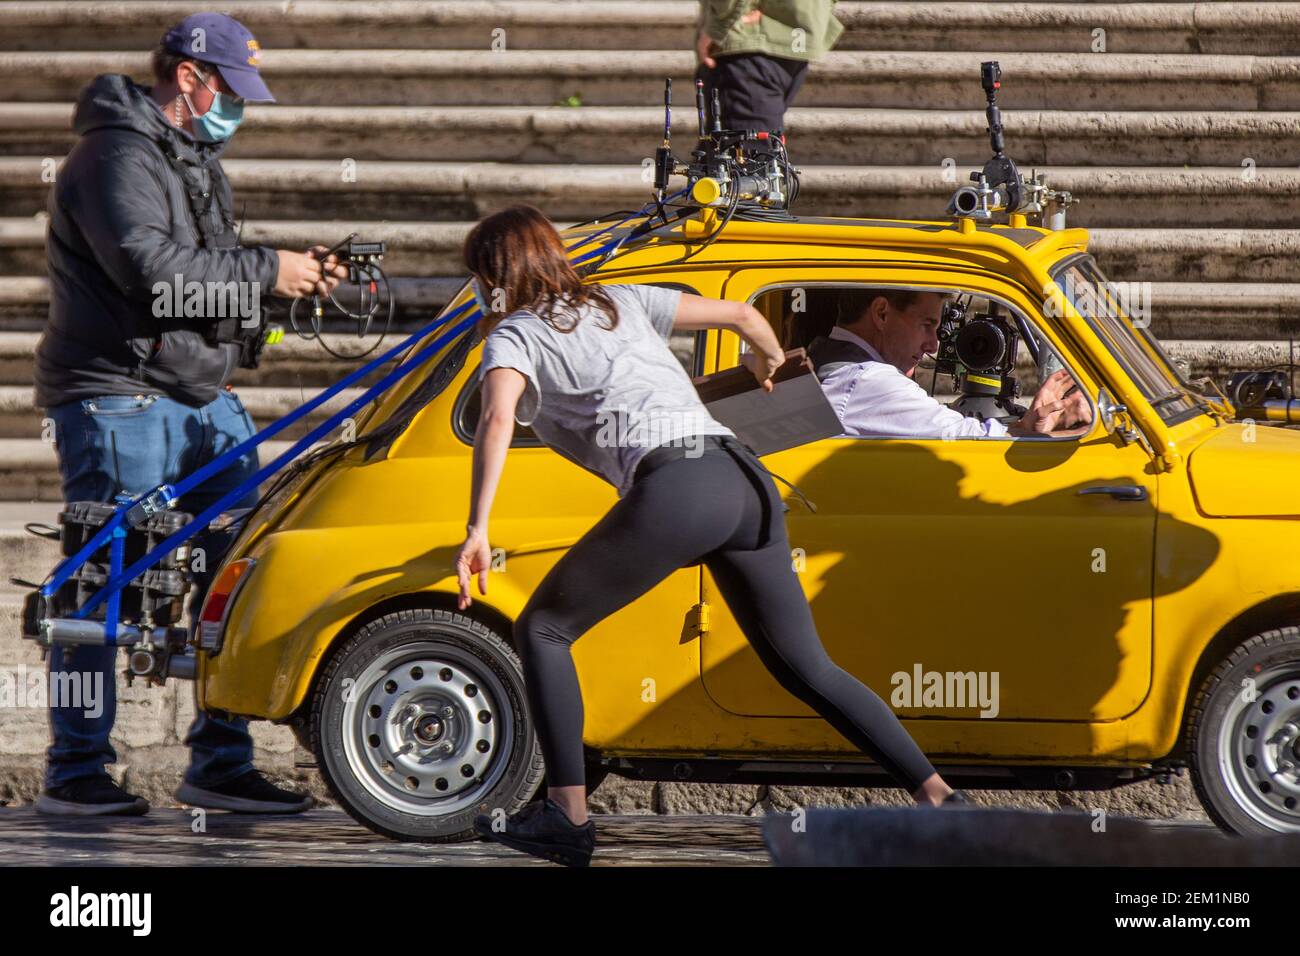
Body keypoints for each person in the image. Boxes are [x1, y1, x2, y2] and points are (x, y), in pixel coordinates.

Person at [454, 204, 970, 868]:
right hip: (745, 480)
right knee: (807, 668)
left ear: (491, 277)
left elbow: (495, 419)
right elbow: (743, 316)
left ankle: (567, 815)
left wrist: (477, 528)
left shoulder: (515, 334)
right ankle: (939, 798)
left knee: (543, 629)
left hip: (680, 487)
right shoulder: (618, 301)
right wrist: (770, 368)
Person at [33, 12, 347, 816]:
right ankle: (75, 772)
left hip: (197, 394)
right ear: (187, 78)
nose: (234, 108)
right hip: (121, 397)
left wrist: (277, 291)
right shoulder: (114, 155)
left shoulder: (189, 157)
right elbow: (149, 274)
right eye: (229, 91)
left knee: (232, 574)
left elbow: (196, 281)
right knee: (104, 589)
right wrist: (264, 270)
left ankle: (221, 758)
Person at [807, 289, 1092, 439]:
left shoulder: (827, 354)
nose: (933, 345)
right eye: (926, 325)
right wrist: (1060, 420)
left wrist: (1027, 425)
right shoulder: (866, 380)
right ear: (882, 313)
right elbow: (966, 441)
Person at [694, 0, 844, 138]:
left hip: (751, 42)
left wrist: (719, 26)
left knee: (745, 157)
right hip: (793, 33)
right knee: (726, 155)